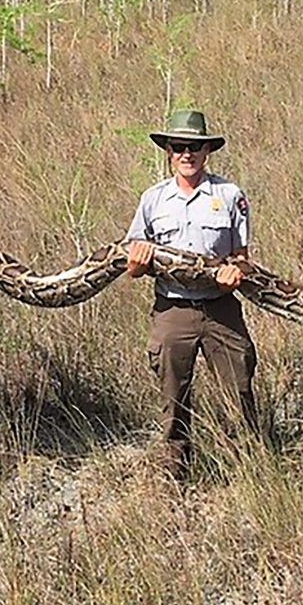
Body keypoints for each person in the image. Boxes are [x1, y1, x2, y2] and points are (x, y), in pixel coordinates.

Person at [125, 109, 265, 480]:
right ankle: (175, 475)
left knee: (238, 392)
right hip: (173, 309)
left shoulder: (231, 195)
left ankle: (247, 472)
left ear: (207, 151)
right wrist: (138, 261)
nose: (187, 154)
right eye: (179, 147)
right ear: (168, 151)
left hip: (221, 309)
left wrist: (237, 270)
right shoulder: (153, 199)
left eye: (195, 147)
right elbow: (132, 266)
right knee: (173, 398)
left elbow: (243, 259)